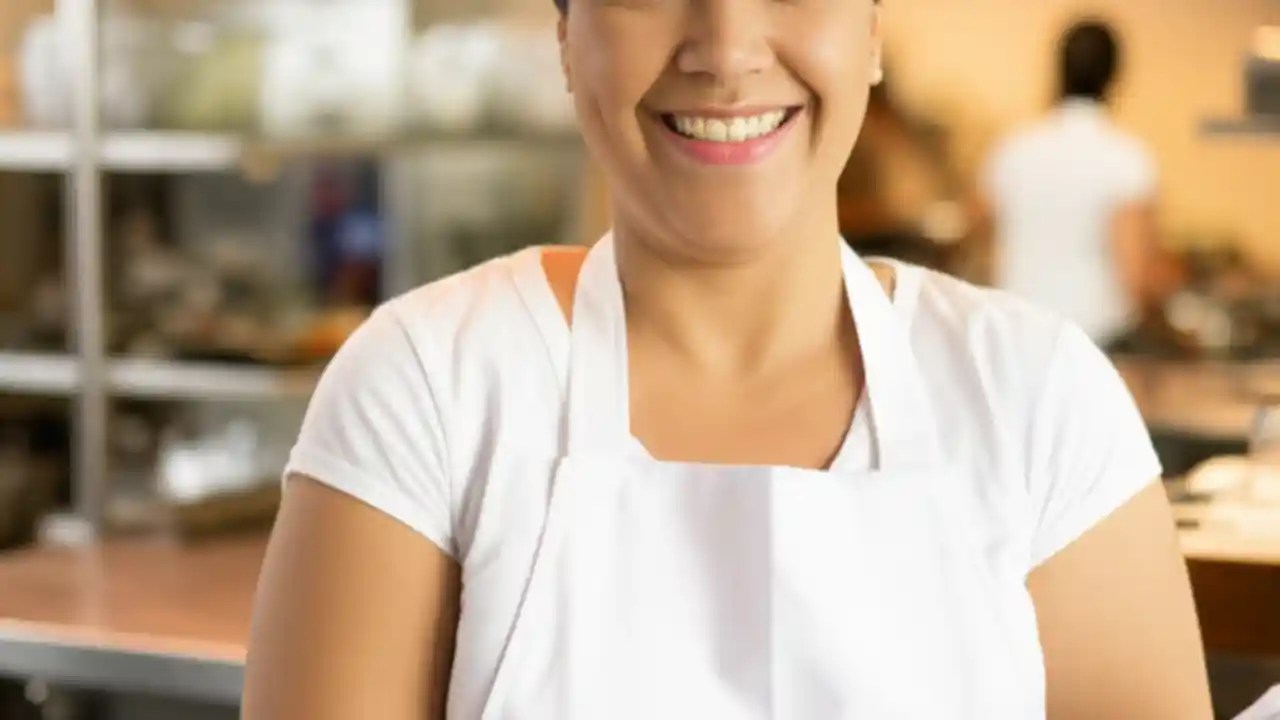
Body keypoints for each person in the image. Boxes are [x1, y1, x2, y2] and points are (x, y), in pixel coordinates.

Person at [244, 2, 1212, 718]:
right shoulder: (428, 384)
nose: (725, 48)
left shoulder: (1038, 397)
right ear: (564, 34)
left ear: (872, 34)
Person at [981, 19, 1180, 346]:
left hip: (1016, 335)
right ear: (1114, 76)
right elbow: (1135, 274)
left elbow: (978, 236)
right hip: (1096, 341)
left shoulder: (1013, 149)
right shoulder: (1126, 157)